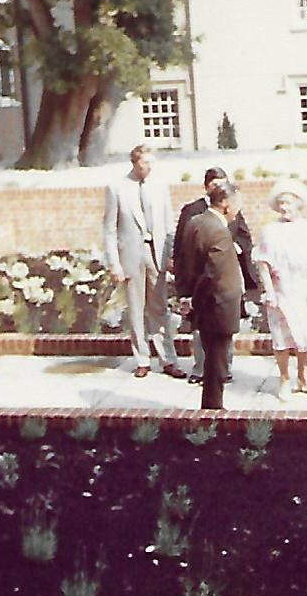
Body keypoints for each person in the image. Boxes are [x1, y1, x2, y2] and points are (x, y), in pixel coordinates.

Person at [102, 144, 187, 379]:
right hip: (131, 254)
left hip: (155, 252)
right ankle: (142, 358)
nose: (147, 168)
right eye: (143, 164)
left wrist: (170, 255)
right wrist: (114, 263)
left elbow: (168, 225)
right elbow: (109, 229)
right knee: (136, 309)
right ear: (134, 163)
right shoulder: (117, 187)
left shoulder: (159, 186)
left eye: (150, 163)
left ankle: (168, 359)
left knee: (159, 308)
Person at [174, 166, 258, 385]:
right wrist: (185, 291)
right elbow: (182, 250)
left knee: (224, 329)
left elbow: (244, 237)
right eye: (215, 185)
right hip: (202, 281)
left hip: (225, 278)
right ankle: (202, 369)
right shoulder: (193, 213)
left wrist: (237, 248)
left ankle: (223, 370)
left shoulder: (232, 213)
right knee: (203, 329)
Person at [254, 179, 307, 401]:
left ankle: (303, 377)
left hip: (304, 291)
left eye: (288, 202)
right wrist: (269, 291)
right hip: (280, 291)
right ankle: (284, 379)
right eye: (281, 203)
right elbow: (263, 263)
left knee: (304, 335)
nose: (284, 207)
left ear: (299, 204)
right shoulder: (270, 231)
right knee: (281, 338)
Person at [177, 180, 244, 409]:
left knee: (211, 361)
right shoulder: (219, 232)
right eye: (237, 205)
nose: (238, 211)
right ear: (225, 204)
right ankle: (213, 410)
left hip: (204, 306)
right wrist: (196, 300)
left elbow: (185, 263)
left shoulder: (195, 222)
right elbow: (212, 274)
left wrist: (186, 296)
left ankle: (211, 405)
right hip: (218, 306)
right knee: (217, 363)